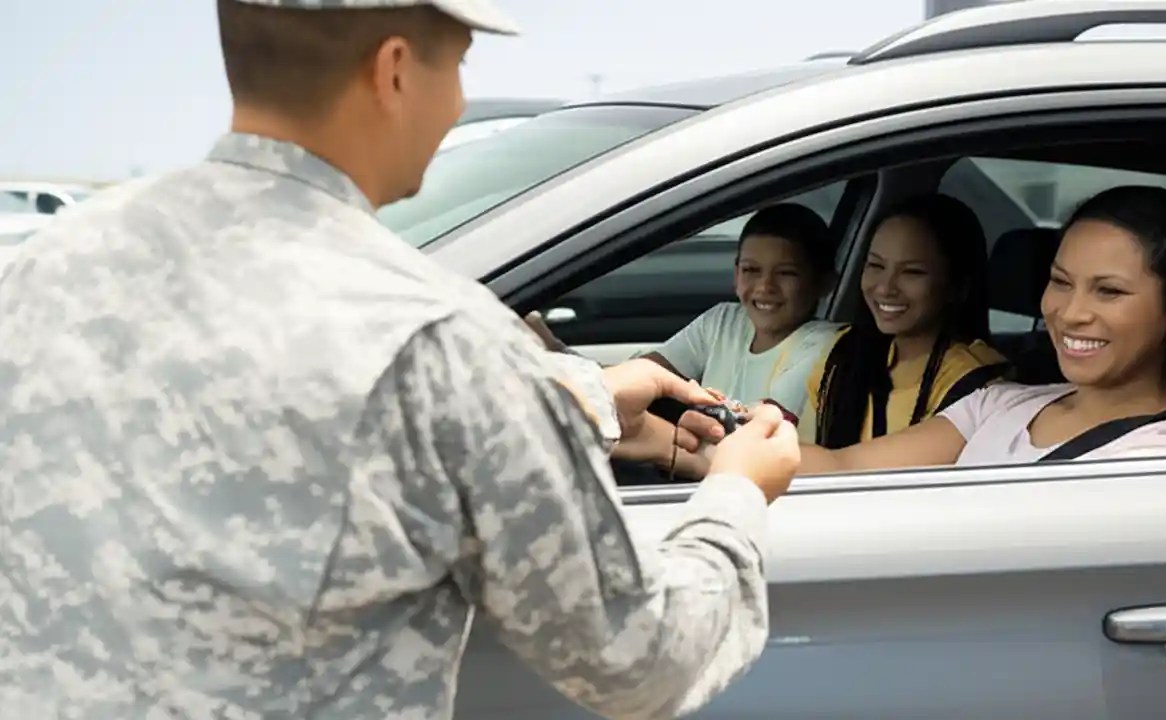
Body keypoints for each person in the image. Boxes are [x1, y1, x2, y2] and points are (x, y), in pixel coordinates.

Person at [0, 2, 801, 719]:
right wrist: (736, 494)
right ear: (393, 70)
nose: (456, 102)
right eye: (455, 66)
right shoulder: (438, 339)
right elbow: (638, 662)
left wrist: (578, 395)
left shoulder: (43, 267)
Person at [681, 185, 1166, 473]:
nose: (1070, 313)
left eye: (1107, 291)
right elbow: (842, 466)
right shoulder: (1002, 404)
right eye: (1061, 282)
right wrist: (668, 440)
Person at [800, 194, 1008, 449]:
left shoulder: (976, 382)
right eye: (875, 265)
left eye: (912, 272)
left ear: (957, 286)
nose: (885, 288)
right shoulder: (843, 353)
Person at [641, 202, 844, 424]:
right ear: (736, 275)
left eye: (786, 273)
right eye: (751, 270)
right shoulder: (721, 322)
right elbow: (647, 371)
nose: (765, 286)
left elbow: (760, 428)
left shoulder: (825, 346)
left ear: (824, 283)